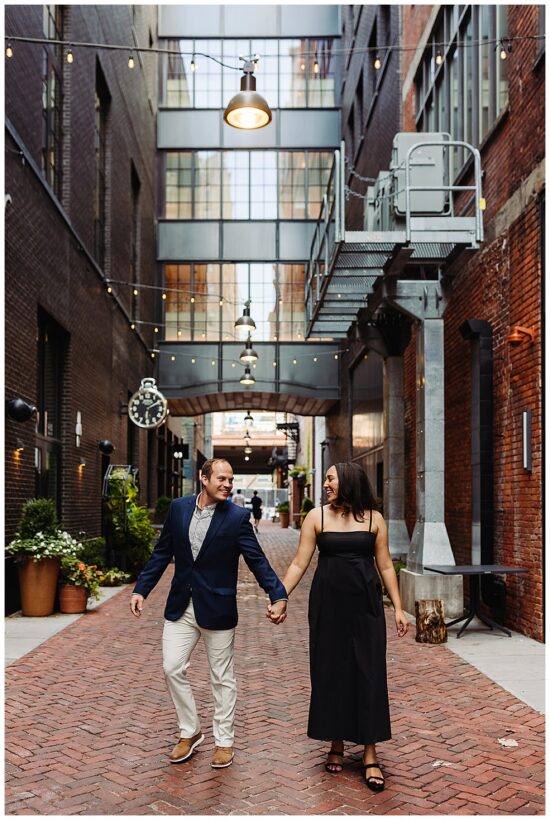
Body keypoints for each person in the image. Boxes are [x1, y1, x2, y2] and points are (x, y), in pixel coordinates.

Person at [130, 458, 287, 769]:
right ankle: (190, 731)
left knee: (222, 678)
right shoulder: (177, 508)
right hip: (180, 605)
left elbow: (257, 560)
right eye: (221, 478)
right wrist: (141, 589)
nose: (227, 484)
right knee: (172, 667)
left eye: (230, 479)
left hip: (217, 606)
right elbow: (162, 552)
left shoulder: (238, 517)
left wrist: (277, 593)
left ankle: (224, 741)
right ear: (204, 479)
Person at [267, 462, 409, 791]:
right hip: (328, 606)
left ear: (346, 481)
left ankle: (370, 753)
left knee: (369, 673)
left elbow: (385, 565)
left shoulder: (374, 519)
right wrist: (280, 597)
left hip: (366, 607)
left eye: (330, 478)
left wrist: (399, 608)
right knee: (330, 670)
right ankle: (336, 744)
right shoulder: (316, 517)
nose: (326, 483)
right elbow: (300, 562)